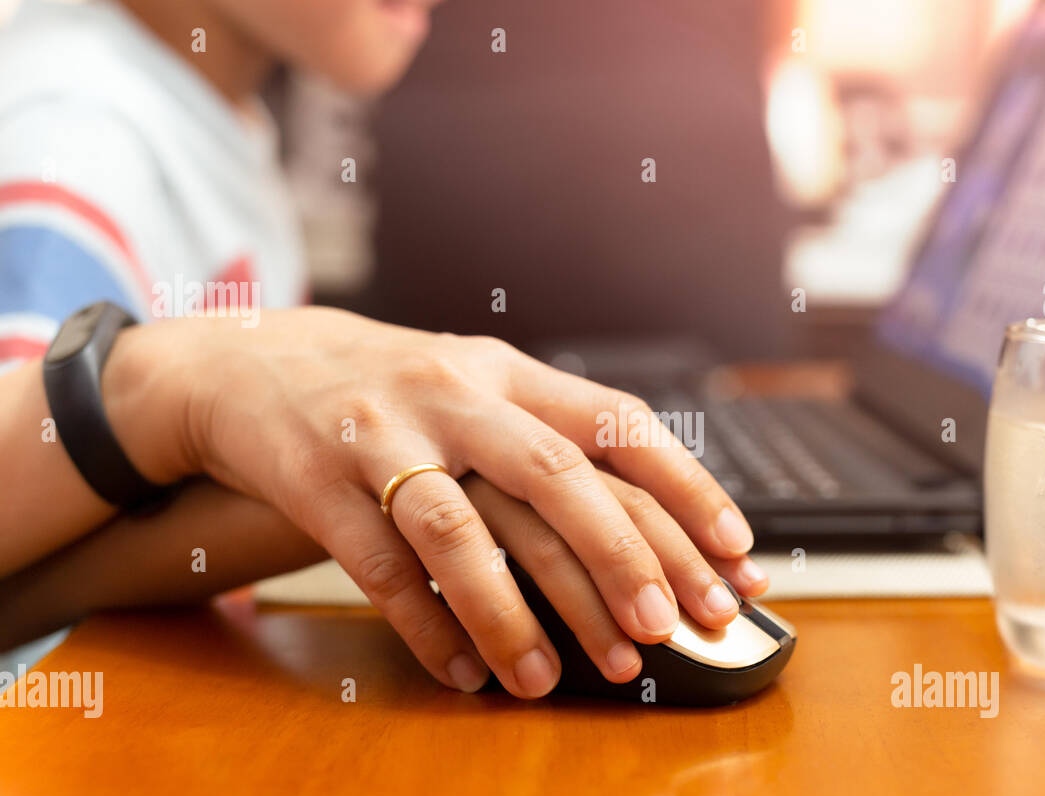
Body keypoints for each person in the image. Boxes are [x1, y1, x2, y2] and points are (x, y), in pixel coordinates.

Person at [0, 0, 769, 698]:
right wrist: (186, 390)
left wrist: (351, 488)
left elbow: (33, 569)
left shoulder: (210, 111)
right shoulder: (72, 132)